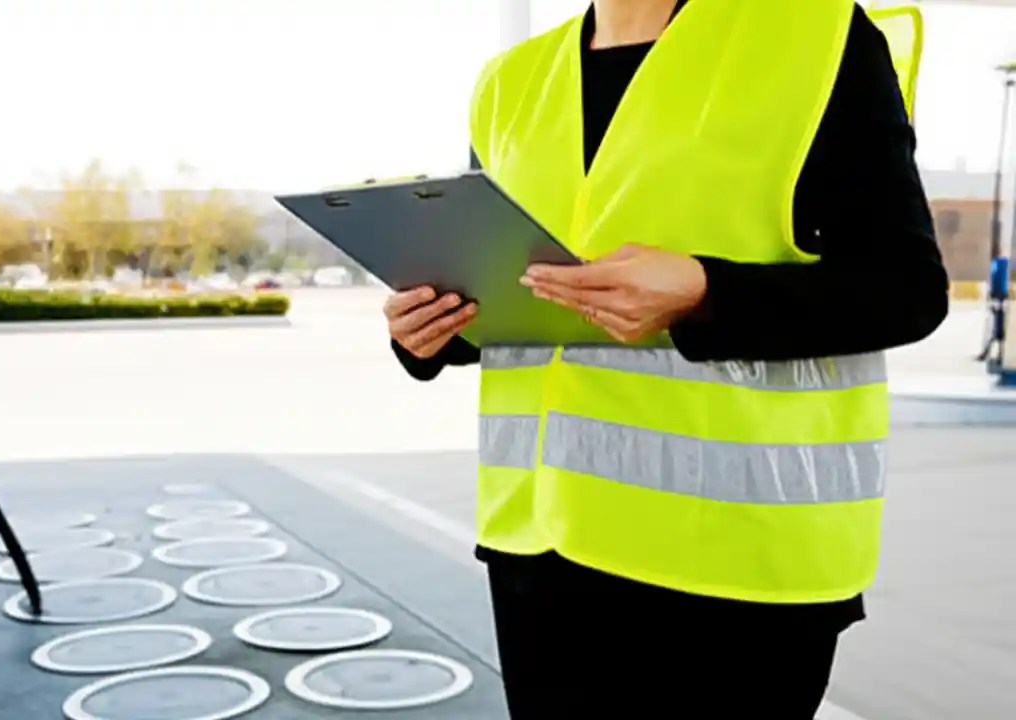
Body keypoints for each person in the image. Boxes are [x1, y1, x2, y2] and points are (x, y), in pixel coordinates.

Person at [385, 0, 949, 717]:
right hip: (539, 552)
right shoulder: (510, 80)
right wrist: (431, 331)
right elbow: (510, 291)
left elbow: (906, 289)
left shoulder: (816, 32)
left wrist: (709, 293)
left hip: (741, 567)